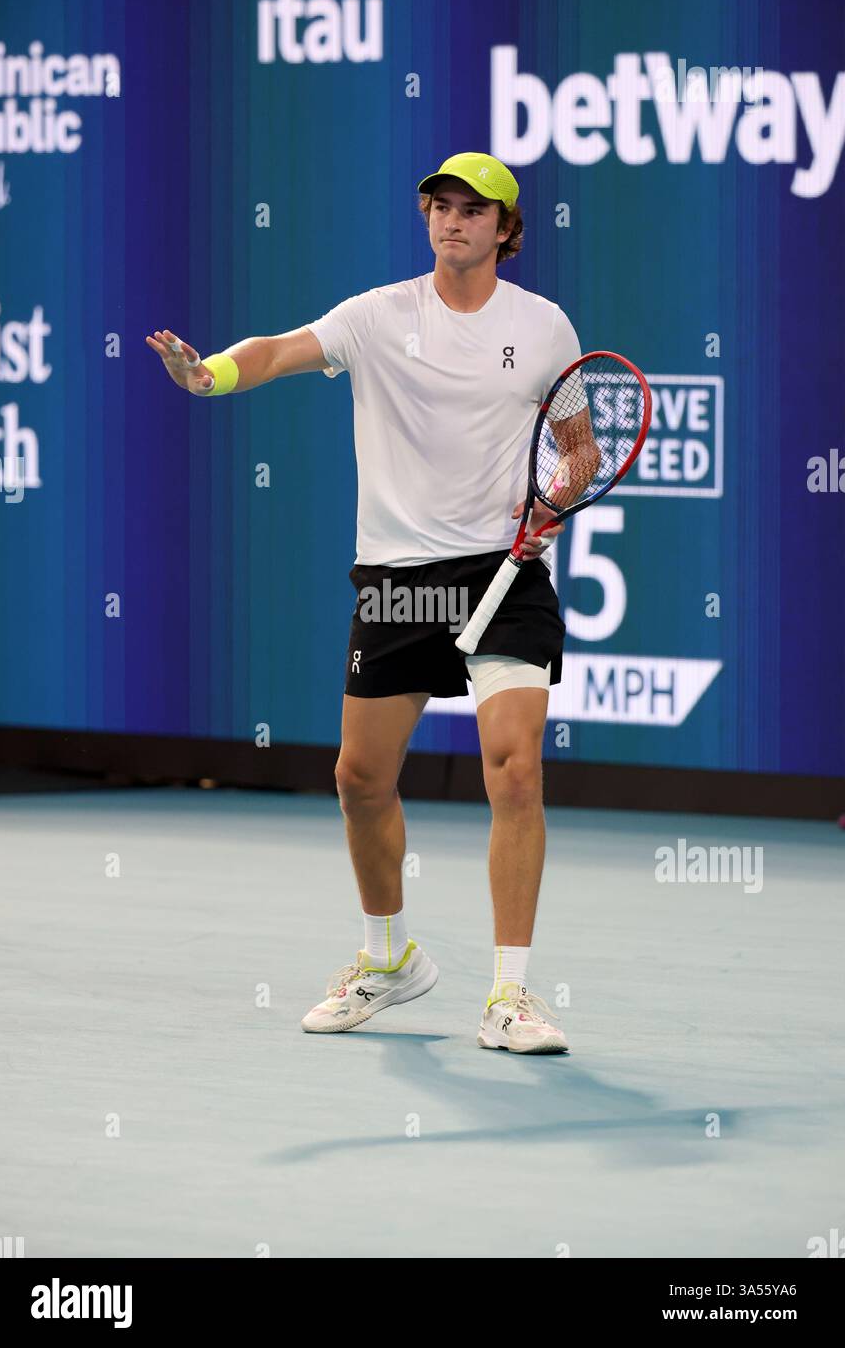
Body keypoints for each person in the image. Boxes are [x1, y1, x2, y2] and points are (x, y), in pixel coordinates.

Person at [146, 152, 587, 1054]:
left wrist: (555, 498)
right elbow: (279, 351)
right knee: (359, 779)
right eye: (439, 205)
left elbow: (579, 444)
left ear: (507, 229)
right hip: (396, 581)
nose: (452, 220)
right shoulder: (379, 316)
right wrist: (212, 376)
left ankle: (510, 996)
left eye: (474, 209)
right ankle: (388, 960)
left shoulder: (544, 329)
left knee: (514, 767)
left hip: (502, 576)